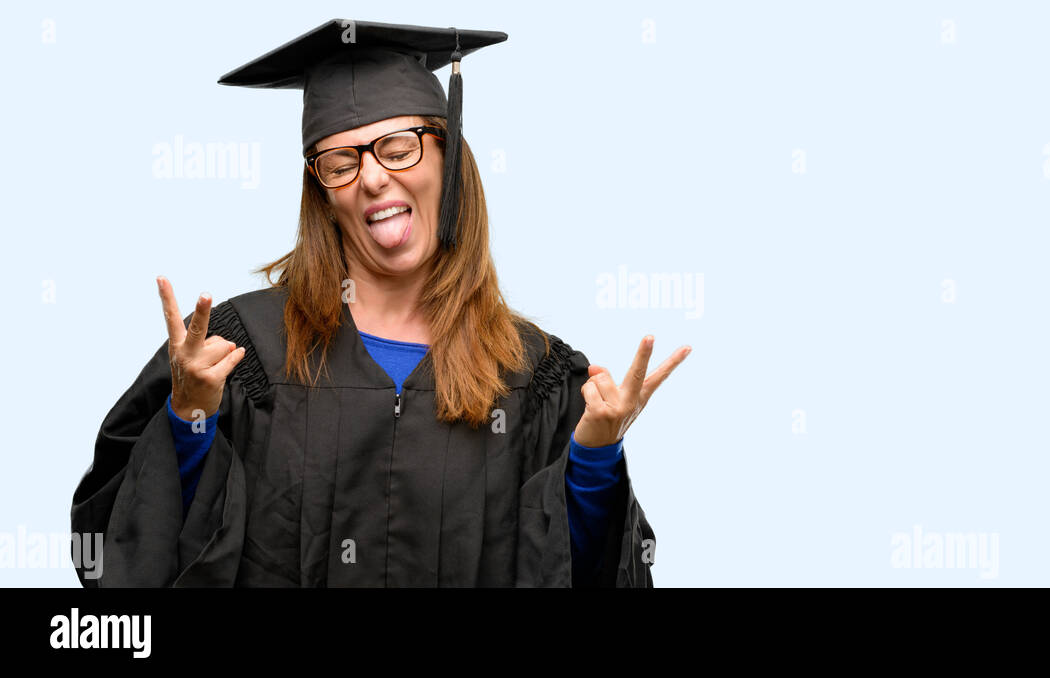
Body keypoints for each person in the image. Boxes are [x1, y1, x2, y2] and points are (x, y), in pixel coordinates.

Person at [70, 19, 689, 587]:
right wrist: (188, 422)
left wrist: (593, 461)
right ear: (321, 189)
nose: (371, 178)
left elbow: (578, 569)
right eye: (340, 162)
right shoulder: (238, 354)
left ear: (450, 156)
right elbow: (119, 556)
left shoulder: (534, 378)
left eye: (397, 150)